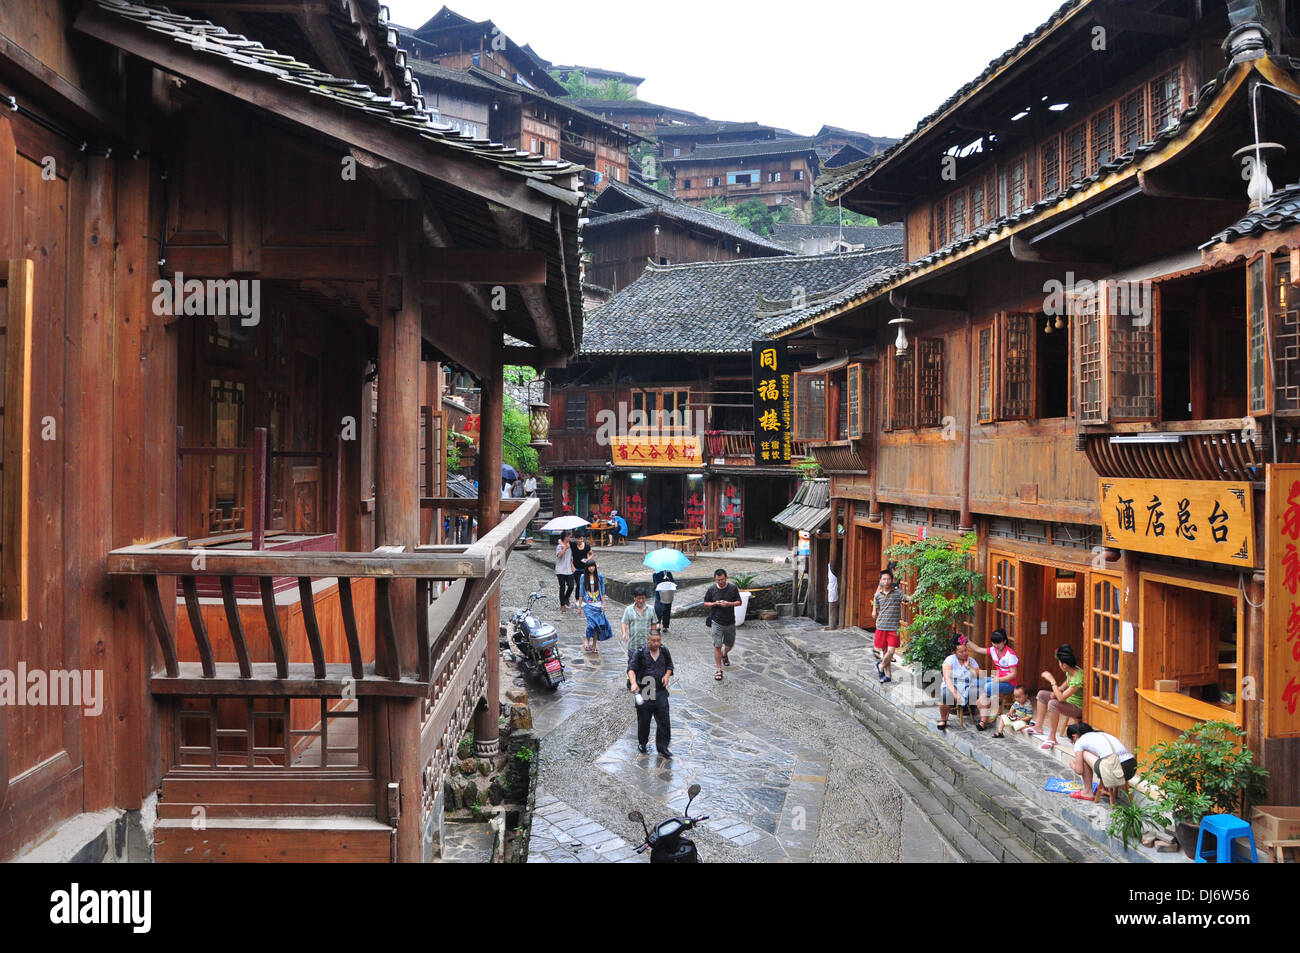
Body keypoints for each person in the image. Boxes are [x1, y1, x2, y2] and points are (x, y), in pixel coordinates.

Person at [1029, 644, 1084, 750]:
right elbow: (1066, 684)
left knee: (1053, 704)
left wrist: (1052, 681)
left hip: (1078, 708)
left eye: (1059, 662)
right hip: (1069, 702)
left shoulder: (1078, 678)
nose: (1058, 664)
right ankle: (1038, 726)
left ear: (1064, 665)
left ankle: (1052, 737)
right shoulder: (1072, 670)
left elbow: (1061, 699)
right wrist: (1058, 689)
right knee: (1042, 694)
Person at [627, 632, 674, 757]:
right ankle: (642, 742)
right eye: (653, 641)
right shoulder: (640, 653)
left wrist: (667, 675)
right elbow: (631, 669)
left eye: (658, 641)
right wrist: (633, 683)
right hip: (645, 690)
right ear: (648, 640)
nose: (656, 643)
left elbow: (670, 666)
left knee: (664, 720)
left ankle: (663, 747)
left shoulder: (664, 651)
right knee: (644, 720)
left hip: (660, 691)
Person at [1065, 723, 1138, 801]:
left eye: (1072, 740)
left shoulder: (1080, 742)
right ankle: (1105, 787)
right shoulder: (1102, 734)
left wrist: (1073, 764)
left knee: (1084, 754)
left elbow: (1079, 770)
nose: (1071, 742)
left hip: (1115, 771)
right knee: (1104, 757)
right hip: (1131, 768)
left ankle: (1087, 792)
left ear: (1074, 736)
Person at [965, 628, 1018, 725]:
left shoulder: (1010, 655)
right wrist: (967, 641)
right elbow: (977, 649)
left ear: (1004, 641)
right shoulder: (993, 650)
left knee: (988, 687)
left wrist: (999, 679)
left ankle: (993, 708)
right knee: (976, 682)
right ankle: (985, 702)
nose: (995, 645)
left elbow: (1013, 674)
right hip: (997, 680)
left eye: (998, 643)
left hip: (1009, 683)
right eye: (994, 643)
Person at [938, 636, 989, 730]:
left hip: (967, 687)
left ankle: (982, 722)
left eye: (966, 650)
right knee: (945, 696)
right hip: (952, 687)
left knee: (983, 694)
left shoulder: (971, 661)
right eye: (961, 652)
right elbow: (947, 679)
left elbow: (981, 675)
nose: (965, 653)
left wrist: (969, 667)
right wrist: (955, 693)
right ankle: (943, 719)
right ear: (954, 652)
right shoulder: (950, 660)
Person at [703, 568, 742, 681]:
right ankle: (719, 669)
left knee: (729, 644)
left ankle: (725, 654)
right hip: (716, 621)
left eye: (722, 579)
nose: (720, 582)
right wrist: (714, 603)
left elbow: (739, 602)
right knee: (717, 645)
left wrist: (728, 604)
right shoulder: (711, 589)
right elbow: (705, 603)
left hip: (730, 621)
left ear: (726, 578)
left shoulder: (733, 588)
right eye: (718, 580)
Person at [872, 569, 907, 683]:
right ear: (880, 581)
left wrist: (918, 593)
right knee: (885, 651)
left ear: (892, 580)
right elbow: (877, 608)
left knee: (891, 651)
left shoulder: (898, 593)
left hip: (893, 627)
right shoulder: (878, 595)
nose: (886, 581)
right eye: (884, 579)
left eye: (888, 579)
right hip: (881, 626)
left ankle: (881, 666)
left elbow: (908, 598)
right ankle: (888, 675)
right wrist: (874, 612)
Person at [579, 561, 610, 655]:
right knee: (591, 624)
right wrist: (579, 606)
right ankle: (587, 640)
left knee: (596, 626)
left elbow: (603, 591)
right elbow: (581, 592)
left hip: (598, 604)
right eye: (589, 566)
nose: (591, 568)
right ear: (587, 568)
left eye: (593, 566)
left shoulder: (599, 576)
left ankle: (594, 645)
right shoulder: (583, 577)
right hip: (587, 605)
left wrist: (603, 604)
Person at [621, 586, 659, 662]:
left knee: (646, 668)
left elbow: (654, 623)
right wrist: (624, 633)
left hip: (647, 645)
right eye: (639, 598)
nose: (641, 600)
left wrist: (653, 636)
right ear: (634, 598)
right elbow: (624, 623)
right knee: (632, 668)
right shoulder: (628, 609)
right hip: (633, 645)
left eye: (643, 598)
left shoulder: (651, 609)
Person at [553, 531, 575, 611]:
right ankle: (562, 604)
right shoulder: (559, 546)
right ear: (565, 537)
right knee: (562, 587)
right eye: (569, 536)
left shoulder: (571, 546)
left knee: (571, 585)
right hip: (560, 570)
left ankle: (566, 597)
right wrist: (564, 548)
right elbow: (559, 555)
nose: (570, 538)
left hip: (568, 570)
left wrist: (572, 566)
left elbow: (571, 558)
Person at [652, 568, 676, 633]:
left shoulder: (655, 574)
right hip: (668, 594)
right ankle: (665, 626)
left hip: (659, 595)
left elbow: (655, 583)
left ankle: (658, 626)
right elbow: (673, 582)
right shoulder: (668, 573)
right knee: (667, 611)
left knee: (658, 612)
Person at [570, 532, 592, 598]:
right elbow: (569, 556)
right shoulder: (572, 545)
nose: (580, 540)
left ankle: (584, 598)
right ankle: (577, 599)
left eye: (581, 539)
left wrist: (588, 559)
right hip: (576, 568)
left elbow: (591, 554)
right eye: (578, 539)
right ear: (575, 539)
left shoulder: (587, 546)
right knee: (579, 584)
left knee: (585, 584)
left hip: (585, 568)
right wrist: (572, 566)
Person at [827, 561, 839, 628]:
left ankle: (832, 624)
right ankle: (832, 623)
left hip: (833, 585)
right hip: (832, 586)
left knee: (833, 596)